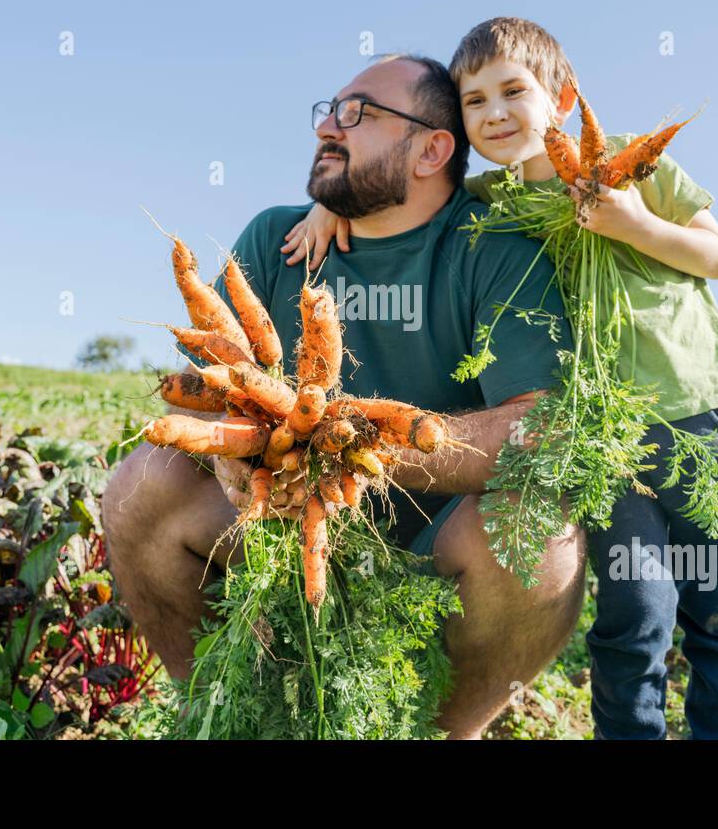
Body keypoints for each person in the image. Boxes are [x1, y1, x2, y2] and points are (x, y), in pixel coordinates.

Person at [284, 18, 718, 740]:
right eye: (474, 101)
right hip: (610, 434)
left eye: (513, 91)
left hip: (702, 412)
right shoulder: (492, 207)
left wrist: (633, 225)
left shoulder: (629, 168)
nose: (494, 113)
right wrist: (332, 200)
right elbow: (407, 187)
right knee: (634, 615)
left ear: (563, 99)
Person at [101, 53, 583, 740]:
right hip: (279, 530)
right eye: (329, 110)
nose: (329, 126)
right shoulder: (277, 239)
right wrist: (231, 456)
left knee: (539, 536)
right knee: (139, 484)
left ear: (431, 151)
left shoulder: (496, 247)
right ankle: (218, 714)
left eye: (358, 114)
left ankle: (449, 732)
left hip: (440, 548)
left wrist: (353, 451)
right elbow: (194, 401)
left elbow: (538, 429)